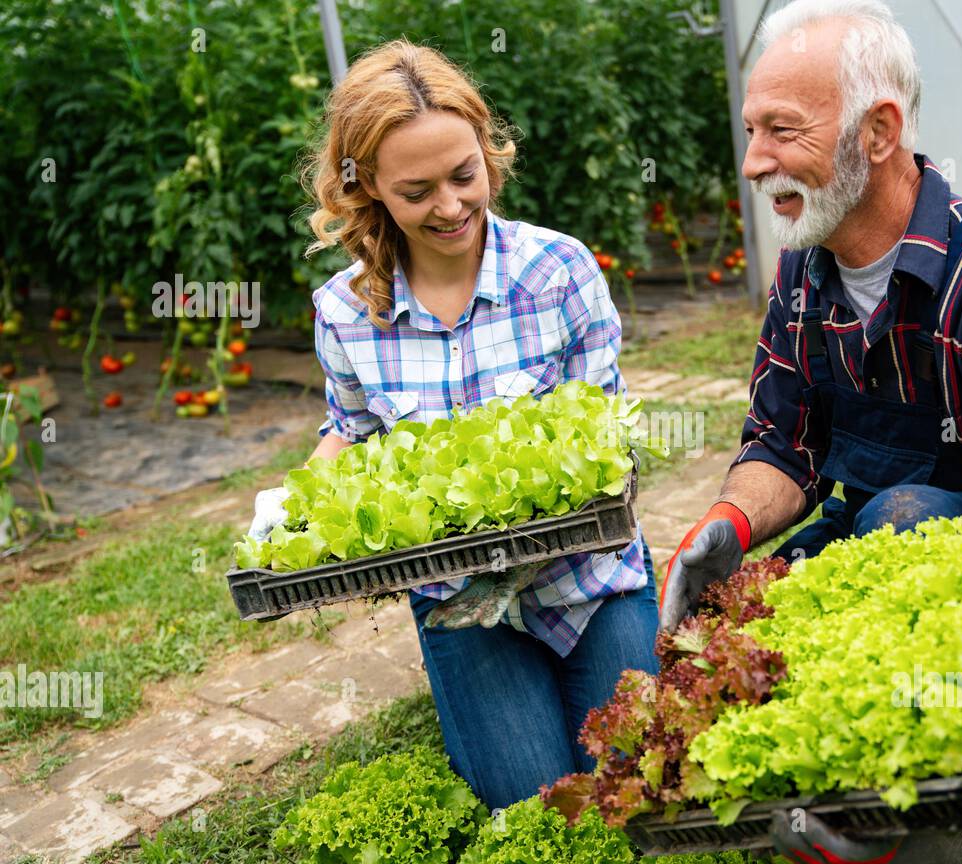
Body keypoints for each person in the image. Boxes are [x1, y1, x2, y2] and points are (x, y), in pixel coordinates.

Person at [657, 0, 962, 864]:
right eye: (751, 129)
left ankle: (939, 820)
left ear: (878, 132)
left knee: (900, 515)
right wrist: (725, 526)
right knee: (732, 627)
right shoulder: (804, 273)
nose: (755, 161)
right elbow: (782, 445)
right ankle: (841, 797)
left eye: (781, 131)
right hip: (876, 546)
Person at [245, 39, 658, 814]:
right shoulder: (344, 311)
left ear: (487, 154)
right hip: (458, 596)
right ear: (365, 186)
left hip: (592, 580)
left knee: (629, 792)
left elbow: (601, 438)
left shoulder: (558, 272)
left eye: (464, 175)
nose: (450, 206)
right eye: (416, 190)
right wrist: (291, 511)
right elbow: (354, 432)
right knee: (533, 803)